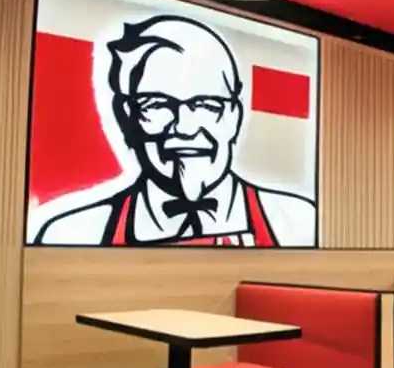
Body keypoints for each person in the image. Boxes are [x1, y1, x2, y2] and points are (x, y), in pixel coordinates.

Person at [35, 15, 315, 246]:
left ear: (234, 116)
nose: (185, 127)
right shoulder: (76, 234)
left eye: (206, 105)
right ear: (127, 117)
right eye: (157, 105)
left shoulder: (297, 222)